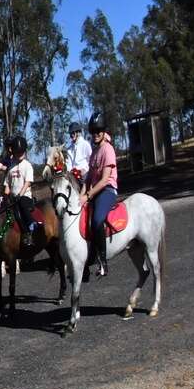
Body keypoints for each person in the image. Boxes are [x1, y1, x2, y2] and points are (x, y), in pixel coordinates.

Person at [82, 112, 118, 275]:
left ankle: (103, 262)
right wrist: (81, 196)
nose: (95, 134)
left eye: (98, 131)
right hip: (95, 191)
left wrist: (88, 196)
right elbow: (89, 177)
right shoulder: (95, 151)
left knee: (96, 221)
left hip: (107, 190)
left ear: (104, 131)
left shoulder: (107, 150)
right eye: (93, 131)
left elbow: (104, 180)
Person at [0, 136, 40, 244]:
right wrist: (5, 196)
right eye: (18, 152)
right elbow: (8, 183)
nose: (20, 154)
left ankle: (30, 229)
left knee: (20, 207)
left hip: (24, 196)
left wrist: (20, 194)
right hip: (13, 197)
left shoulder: (27, 165)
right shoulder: (11, 166)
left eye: (22, 151)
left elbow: (28, 182)